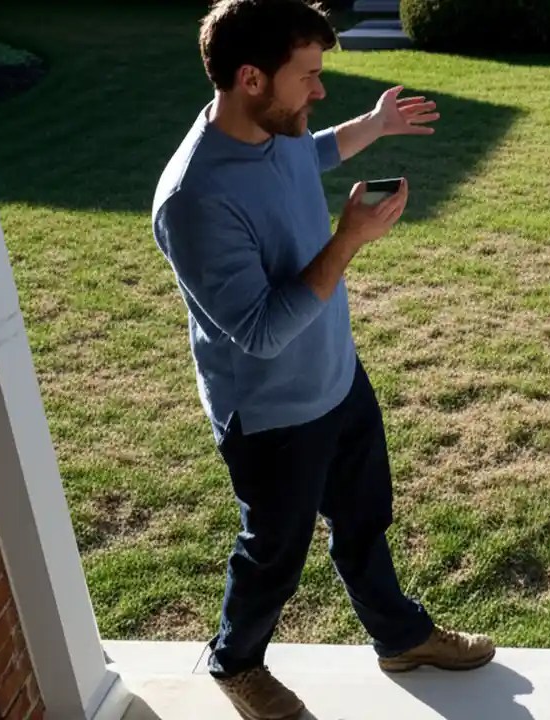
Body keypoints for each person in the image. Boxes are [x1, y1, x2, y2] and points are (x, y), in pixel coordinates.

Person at [151, 1, 494, 717]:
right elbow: (261, 331)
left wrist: (376, 124)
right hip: (273, 413)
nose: (319, 92)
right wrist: (349, 240)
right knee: (274, 552)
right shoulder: (194, 199)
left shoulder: (276, 126)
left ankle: (400, 637)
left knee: (365, 518)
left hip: (337, 375)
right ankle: (236, 664)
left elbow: (305, 154)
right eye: (308, 76)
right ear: (250, 78)